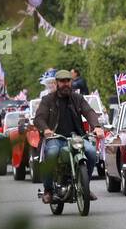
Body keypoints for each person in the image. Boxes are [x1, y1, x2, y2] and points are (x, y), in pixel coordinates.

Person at [33, 69, 103, 204]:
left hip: (77, 137)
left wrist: (97, 127)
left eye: (67, 81)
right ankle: (48, 190)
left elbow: (89, 112)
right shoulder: (48, 100)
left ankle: (85, 186)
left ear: (71, 82)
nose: (65, 84)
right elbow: (39, 118)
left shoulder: (77, 98)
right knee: (52, 153)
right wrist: (46, 129)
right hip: (56, 138)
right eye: (62, 81)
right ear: (57, 83)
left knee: (91, 151)